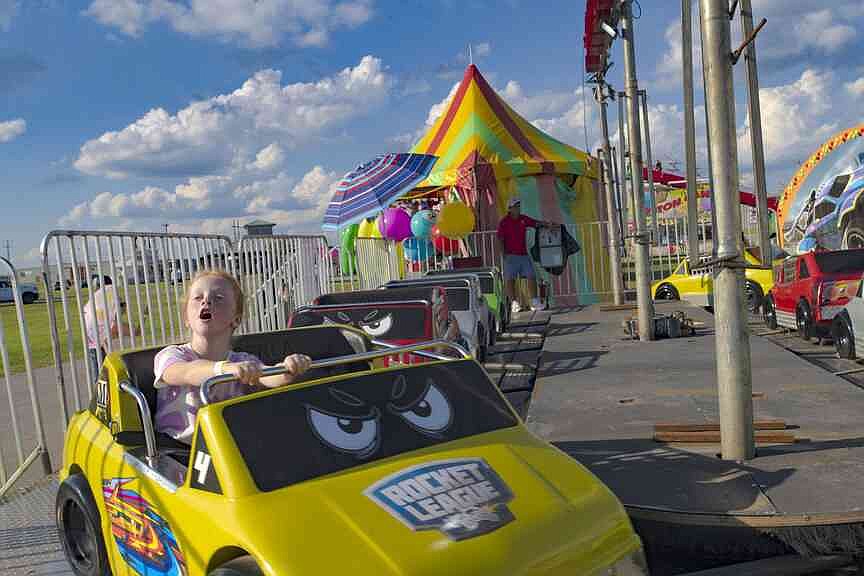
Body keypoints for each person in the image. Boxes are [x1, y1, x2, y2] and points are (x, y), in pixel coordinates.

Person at [154, 269, 312, 444]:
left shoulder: (243, 361)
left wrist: (287, 369)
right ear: (186, 318)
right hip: (176, 450)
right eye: (198, 298)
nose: (206, 301)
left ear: (236, 319)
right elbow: (186, 372)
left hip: (227, 448)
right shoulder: (172, 355)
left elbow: (267, 376)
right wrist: (225, 368)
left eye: (218, 298)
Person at [496, 197, 552, 313]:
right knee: (510, 279)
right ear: (509, 209)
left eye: (518, 206)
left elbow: (535, 223)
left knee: (531, 276)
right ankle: (514, 303)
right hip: (510, 256)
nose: (518, 208)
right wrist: (503, 254)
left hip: (523, 255)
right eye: (515, 206)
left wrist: (548, 224)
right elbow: (500, 239)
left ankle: (534, 302)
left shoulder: (523, 219)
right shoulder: (504, 222)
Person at [84, 276, 133, 382]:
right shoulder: (103, 300)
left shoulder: (99, 299)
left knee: (101, 372)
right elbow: (114, 322)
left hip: (95, 339)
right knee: (102, 374)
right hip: (96, 340)